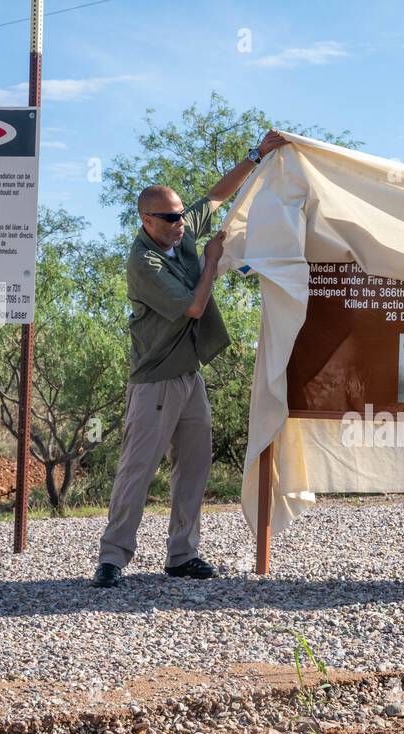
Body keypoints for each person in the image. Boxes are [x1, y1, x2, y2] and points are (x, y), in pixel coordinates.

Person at [92, 130, 289, 588]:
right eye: (169, 217)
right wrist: (213, 260)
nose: (181, 222)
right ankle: (112, 557)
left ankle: (182, 555)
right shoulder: (145, 263)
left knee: (194, 467)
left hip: (188, 374)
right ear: (145, 219)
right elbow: (194, 308)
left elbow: (217, 196)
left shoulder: (179, 235)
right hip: (156, 380)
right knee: (138, 469)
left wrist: (256, 155)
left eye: (181, 214)